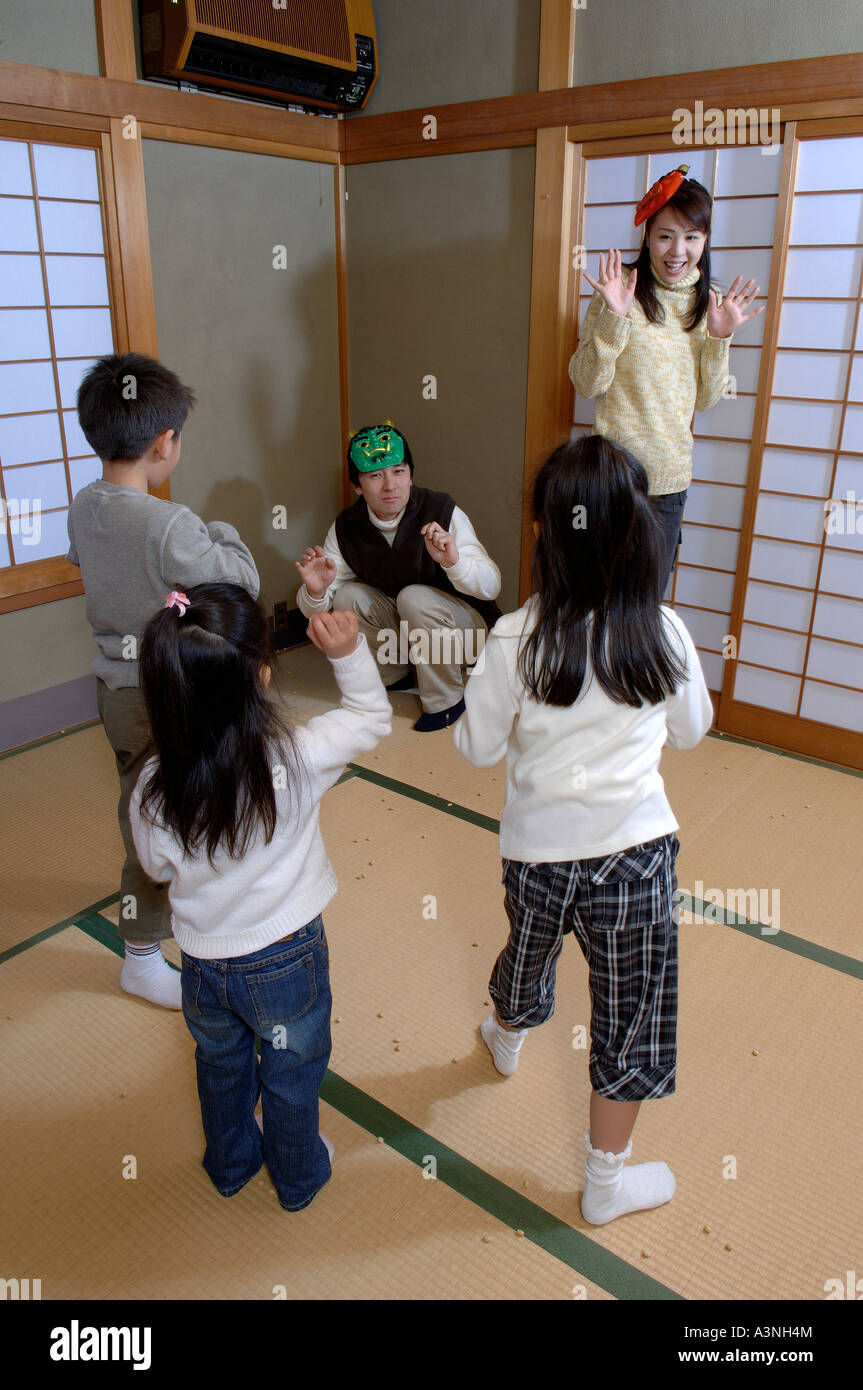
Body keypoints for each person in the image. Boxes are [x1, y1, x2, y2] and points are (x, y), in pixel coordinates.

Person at [453, 435, 713, 1226]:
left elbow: (474, 748)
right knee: (631, 1011)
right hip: (635, 859)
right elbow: (692, 731)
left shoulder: (514, 637)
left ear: (543, 531)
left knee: (526, 954)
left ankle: (506, 1033)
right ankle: (605, 1185)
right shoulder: (662, 630)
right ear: (640, 533)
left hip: (537, 856)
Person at [130, 584, 391, 1210]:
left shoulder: (153, 785)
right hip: (286, 957)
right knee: (291, 1072)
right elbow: (369, 718)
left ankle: (230, 1165)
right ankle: (297, 1177)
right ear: (262, 674)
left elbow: (154, 866)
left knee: (220, 1067)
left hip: (202, 962)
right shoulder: (297, 756)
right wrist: (348, 653)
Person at [67, 352, 260, 1011]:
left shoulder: (84, 506)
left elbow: (109, 570)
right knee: (165, 818)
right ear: (164, 443)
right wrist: (220, 531)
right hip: (169, 692)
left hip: (116, 693)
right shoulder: (169, 523)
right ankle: (143, 957)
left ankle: (177, 913)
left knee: (142, 805)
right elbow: (240, 581)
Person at [569, 168, 765, 590]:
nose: (678, 251)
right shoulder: (619, 288)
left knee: (646, 608)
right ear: (647, 237)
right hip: (612, 480)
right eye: (665, 236)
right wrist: (615, 318)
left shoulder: (709, 303)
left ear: (705, 240)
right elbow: (586, 383)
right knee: (596, 600)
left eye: (692, 237)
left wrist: (719, 337)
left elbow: (707, 399)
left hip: (669, 485)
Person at [296, 422, 502, 731]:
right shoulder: (346, 527)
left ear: (410, 475)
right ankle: (395, 674)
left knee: (413, 597)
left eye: (398, 471)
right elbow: (316, 612)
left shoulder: (441, 510)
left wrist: (454, 562)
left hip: (469, 636)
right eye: (375, 476)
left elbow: (492, 585)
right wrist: (315, 591)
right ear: (357, 486)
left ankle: (447, 700)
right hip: (411, 637)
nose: (390, 485)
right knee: (348, 596)